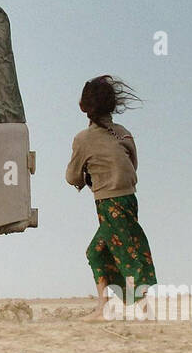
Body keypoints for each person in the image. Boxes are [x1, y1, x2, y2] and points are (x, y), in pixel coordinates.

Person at [65, 75, 157, 320]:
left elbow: (71, 176)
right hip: (128, 199)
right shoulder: (124, 133)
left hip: (108, 203)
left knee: (128, 252)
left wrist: (87, 177)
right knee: (98, 252)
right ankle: (105, 307)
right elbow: (133, 165)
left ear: (85, 107)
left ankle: (143, 309)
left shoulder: (83, 139)